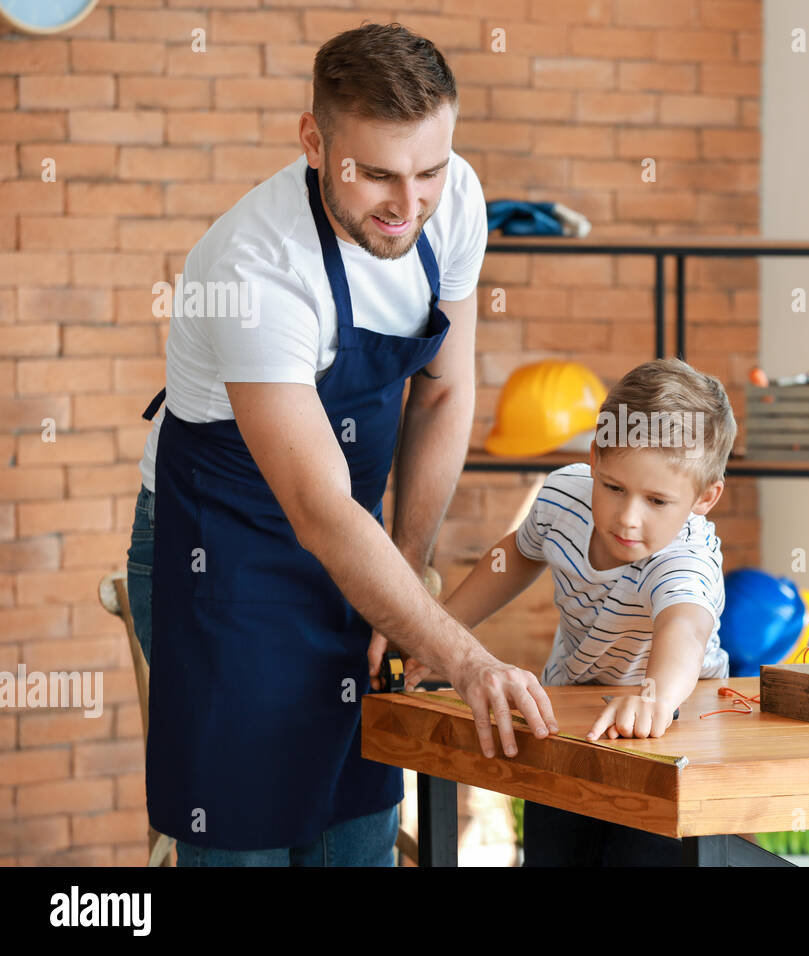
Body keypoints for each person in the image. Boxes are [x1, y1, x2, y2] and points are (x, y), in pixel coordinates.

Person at [125, 23, 556, 868]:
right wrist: (461, 657)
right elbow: (318, 509)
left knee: (356, 834)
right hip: (223, 562)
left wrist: (409, 567)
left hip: (355, 553)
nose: (407, 203)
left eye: (428, 169)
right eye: (378, 174)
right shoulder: (254, 268)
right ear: (315, 142)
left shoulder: (453, 200)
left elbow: (442, 387)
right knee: (243, 841)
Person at [405, 358, 738, 865]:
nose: (628, 517)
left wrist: (654, 699)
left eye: (656, 501)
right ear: (596, 458)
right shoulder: (565, 495)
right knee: (552, 847)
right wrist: (442, 631)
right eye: (614, 488)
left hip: (674, 730)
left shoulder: (685, 559)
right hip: (574, 713)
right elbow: (517, 554)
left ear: (704, 497)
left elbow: (686, 629)